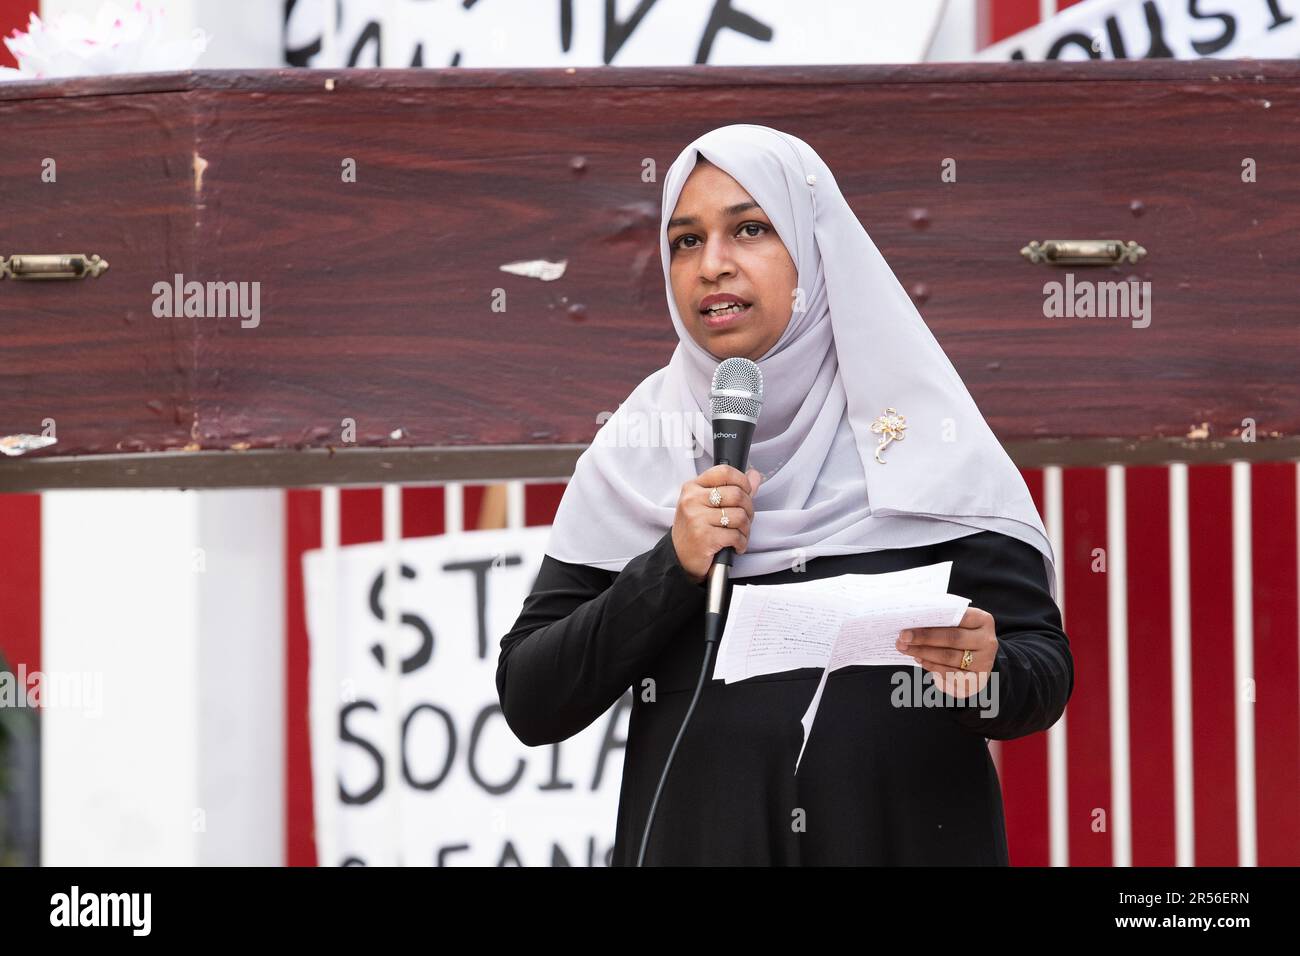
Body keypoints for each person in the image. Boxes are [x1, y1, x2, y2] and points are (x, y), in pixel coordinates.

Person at [496, 124, 1073, 866]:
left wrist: (985, 673)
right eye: (685, 241)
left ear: (814, 247)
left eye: (750, 229)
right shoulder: (639, 450)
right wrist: (671, 567)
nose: (713, 265)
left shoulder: (926, 435)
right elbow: (532, 700)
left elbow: (1042, 676)